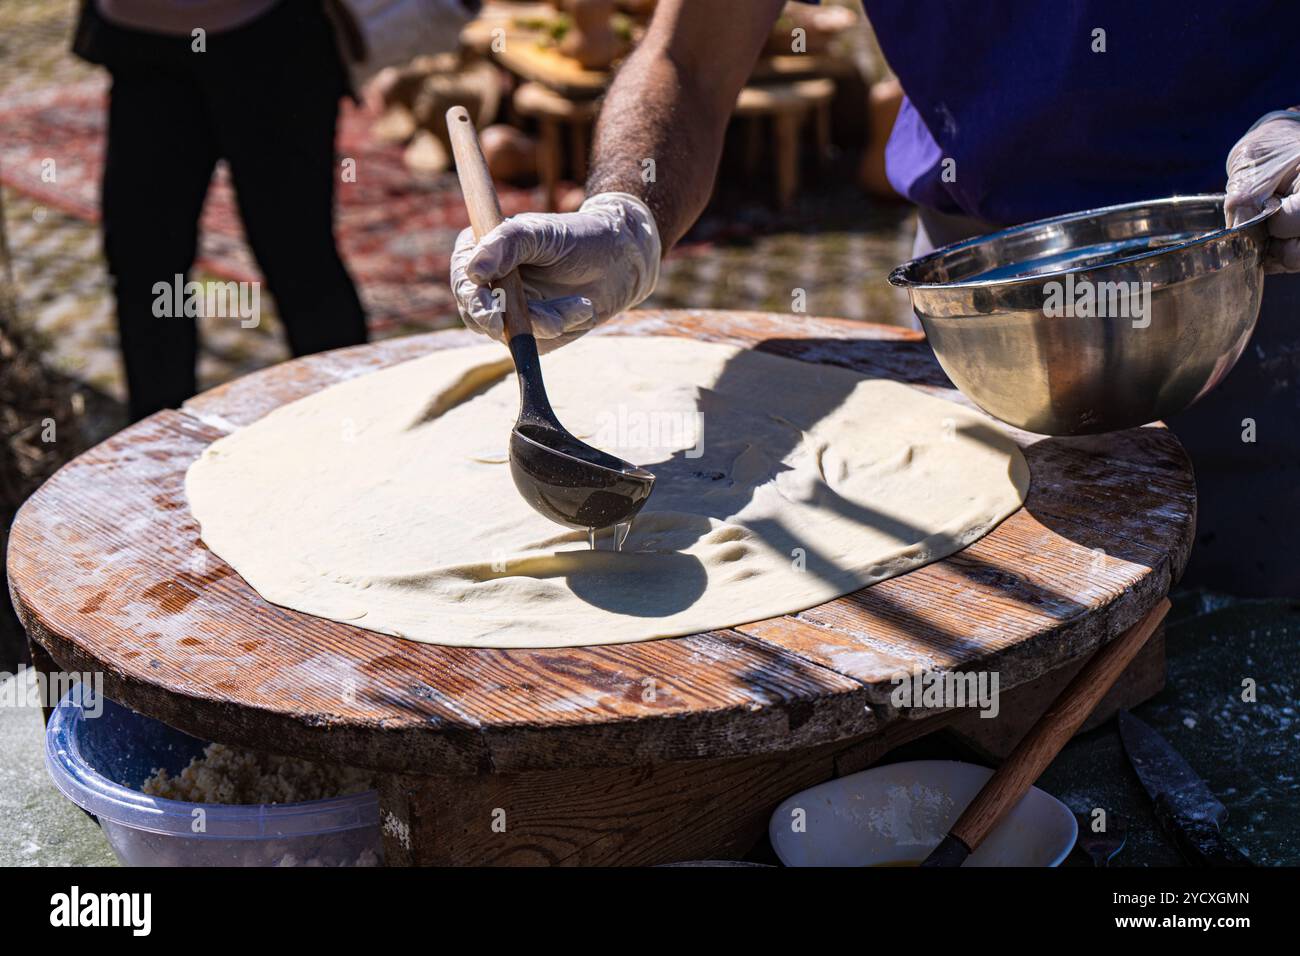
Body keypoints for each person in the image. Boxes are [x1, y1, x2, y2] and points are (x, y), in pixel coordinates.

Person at [450, 0, 1300, 597]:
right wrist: (629, 214)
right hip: (980, 300)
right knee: (996, 613)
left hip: (1246, 278)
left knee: (1240, 656)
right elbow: (690, 59)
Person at [73, 0, 368, 421]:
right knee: (145, 264)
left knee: (298, 255)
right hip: (141, 42)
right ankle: (160, 448)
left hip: (270, 38)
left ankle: (356, 427)